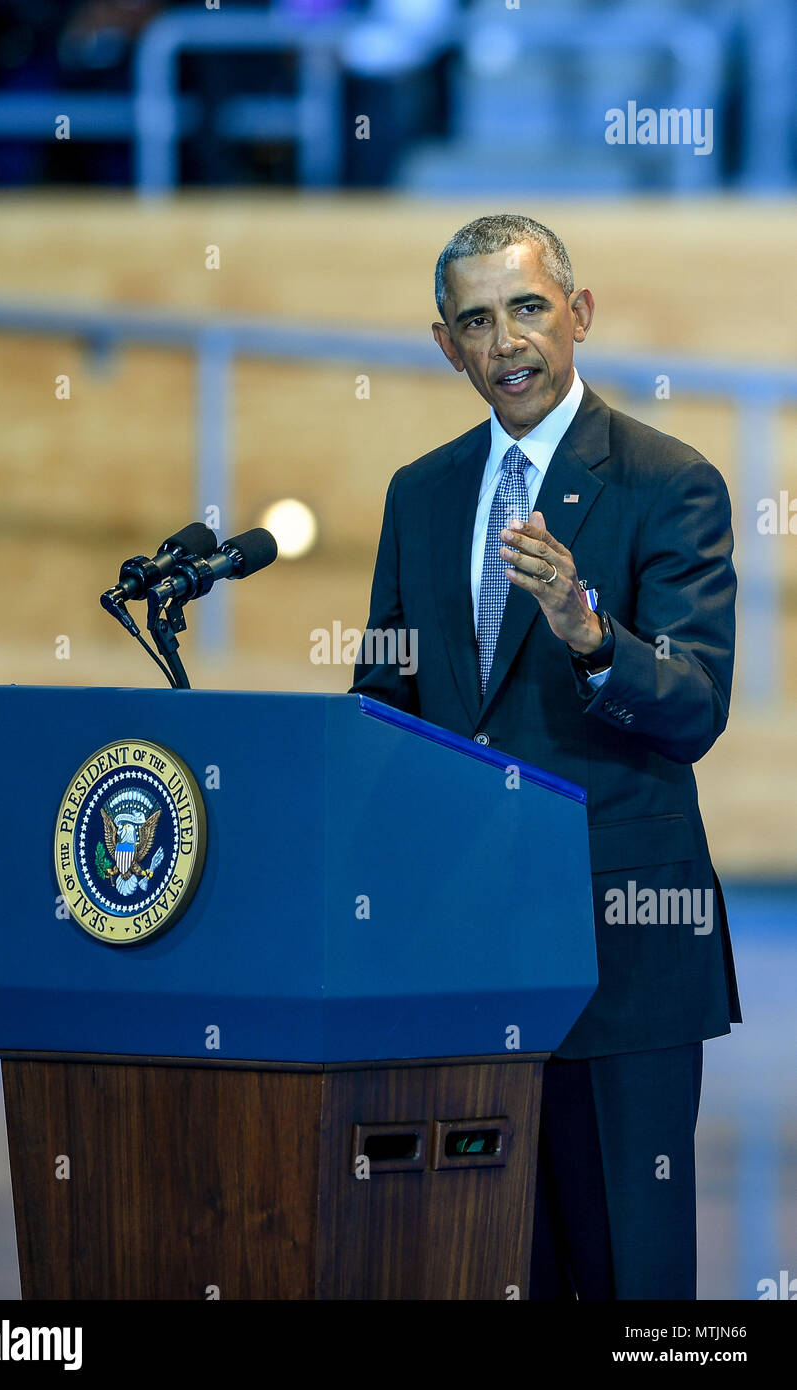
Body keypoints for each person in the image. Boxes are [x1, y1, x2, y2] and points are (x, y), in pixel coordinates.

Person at [350, 213, 741, 1300]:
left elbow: (694, 704)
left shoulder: (667, 482)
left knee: (632, 1272)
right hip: (461, 957)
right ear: (446, 347)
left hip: (621, 952)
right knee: (487, 1264)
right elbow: (383, 696)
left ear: (578, 316)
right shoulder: (418, 495)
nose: (506, 338)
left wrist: (586, 632)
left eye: (526, 308)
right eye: (475, 320)